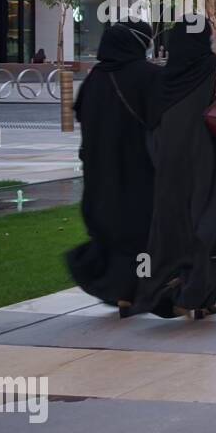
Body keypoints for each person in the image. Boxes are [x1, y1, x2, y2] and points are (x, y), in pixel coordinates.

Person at [126, 17, 216, 320]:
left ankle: (196, 293)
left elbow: (150, 124)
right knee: (215, 226)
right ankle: (195, 293)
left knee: (177, 228)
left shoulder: (163, 78)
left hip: (170, 167)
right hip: (212, 162)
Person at [65, 20, 159, 312]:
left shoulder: (94, 79)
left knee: (112, 229)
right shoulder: (148, 76)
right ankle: (138, 290)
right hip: (139, 170)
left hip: (99, 171)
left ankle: (122, 292)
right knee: (141, 230)